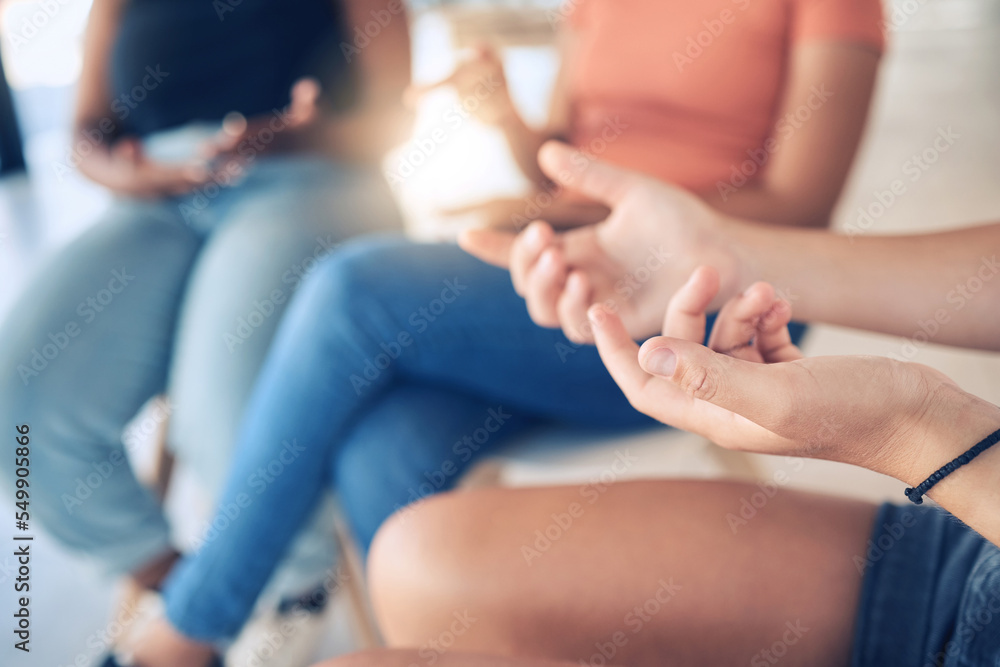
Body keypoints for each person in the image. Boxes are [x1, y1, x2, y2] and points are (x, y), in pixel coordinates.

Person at [121, 0, 886, 663]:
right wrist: (508, 119)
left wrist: (617, 221)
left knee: (354, 289)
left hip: (710, 304)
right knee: (383, 440)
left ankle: (191, 626)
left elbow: (800, 206)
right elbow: (564, 172)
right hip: (577, 272)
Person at [337, 147, 1000, 667]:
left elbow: (802, 189)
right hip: (975, 548)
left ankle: (239, 613)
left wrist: (915, 427)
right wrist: (724, 254)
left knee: (353, 290)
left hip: (975, 478)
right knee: (415, 555)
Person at [0, 0, 409, 648]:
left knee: (224, 400)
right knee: (18, 397)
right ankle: (201, 599)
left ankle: (289, 594)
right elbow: (86, 133)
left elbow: (394, 118)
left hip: (306, 175)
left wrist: (292, 134)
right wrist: (123, 171)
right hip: (156, 197)